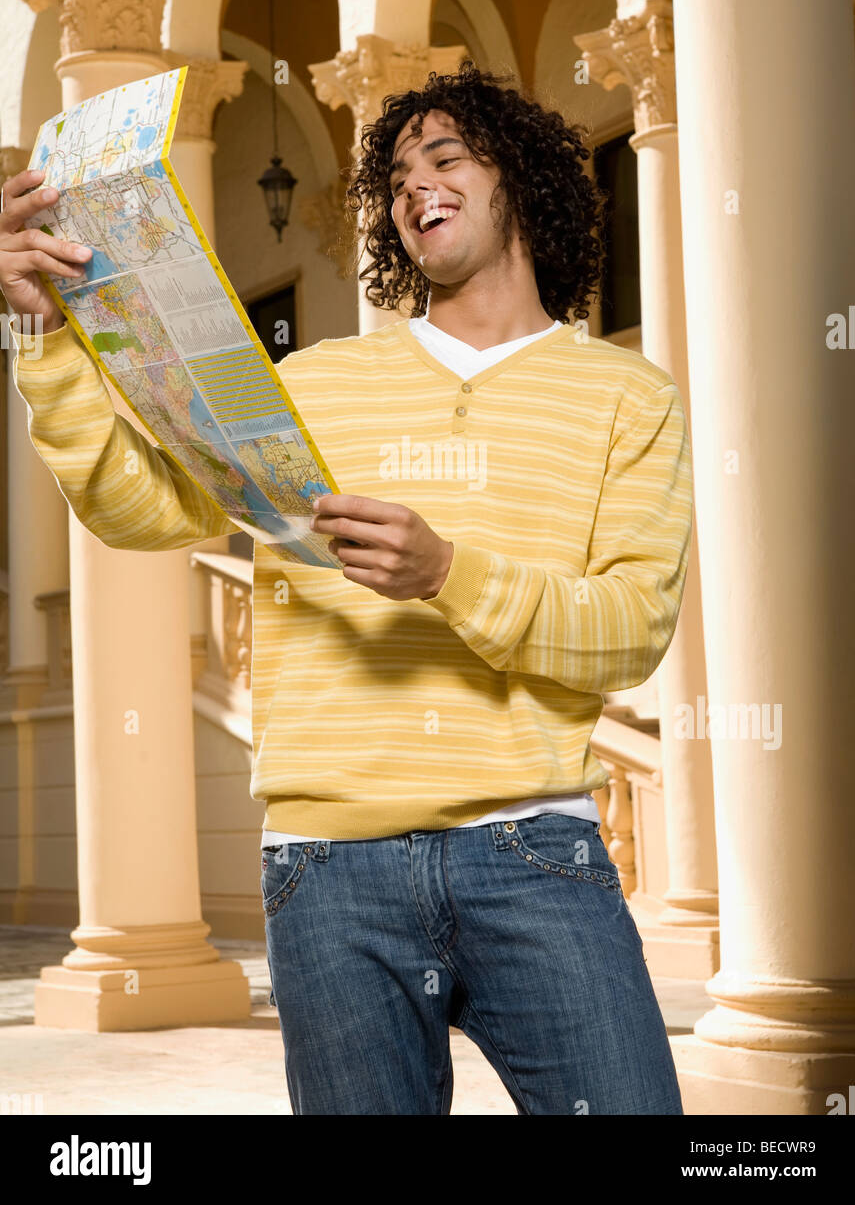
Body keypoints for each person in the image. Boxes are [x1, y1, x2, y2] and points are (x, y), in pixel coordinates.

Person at [1, 63, 693, 1115]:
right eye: (397, 171)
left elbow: (628, 629)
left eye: (446, 156)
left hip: (533, 850)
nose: (416, 182)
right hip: (325, 871)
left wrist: (448, 574)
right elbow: (144, 510)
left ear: (522, 181)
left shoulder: (624, 397)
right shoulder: (313, 385)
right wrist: (45, 340)